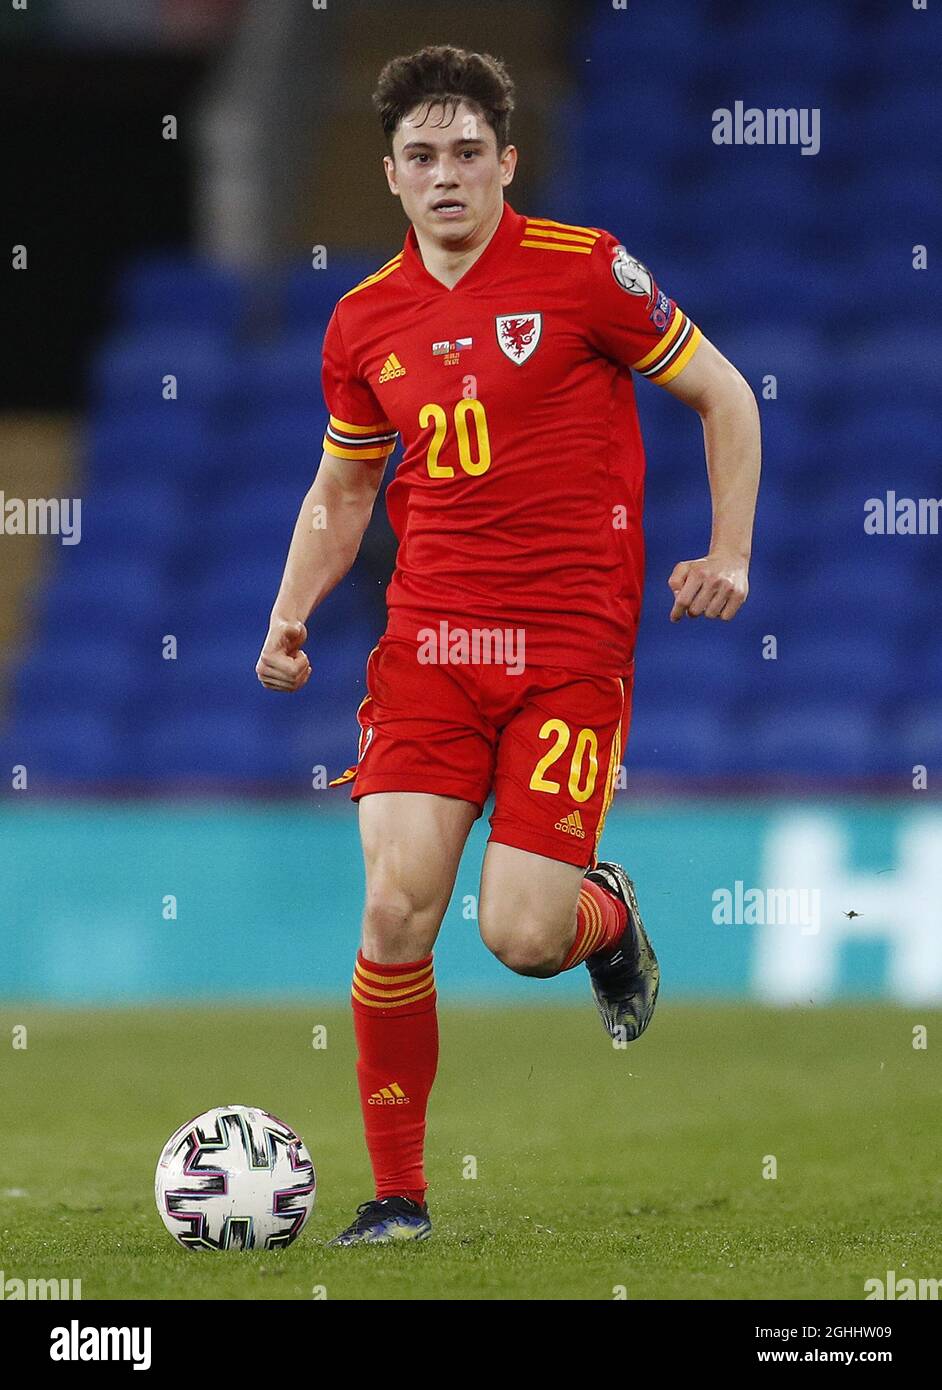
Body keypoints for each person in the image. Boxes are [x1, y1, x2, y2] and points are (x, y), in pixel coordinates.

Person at [257, 45, 760, 1246]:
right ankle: (397, 1198)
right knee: (394, 913)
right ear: (388, 173)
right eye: (422, 156)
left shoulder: (587, 273)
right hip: (428, 647)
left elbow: (727, 395)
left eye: (467, 154)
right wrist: (290, 609)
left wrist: (728, 552)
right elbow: (343, 489)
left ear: (506, 163)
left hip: (569, 651)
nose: (446, 175)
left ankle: (609, 917)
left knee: (524, 934)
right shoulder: (363, 318)